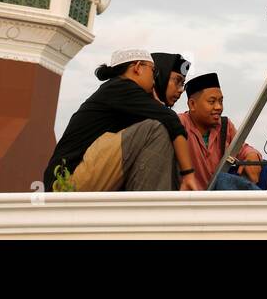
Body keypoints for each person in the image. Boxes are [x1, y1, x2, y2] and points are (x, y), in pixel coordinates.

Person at [43, 49, 201, 192]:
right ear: (137, 67)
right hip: (66, 180)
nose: (155, 79)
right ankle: (149, 208)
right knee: (156, 129)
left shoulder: (125, 98)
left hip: (81, 175)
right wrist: (188, 174)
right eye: (153, 71)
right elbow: (170, 119)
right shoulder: (121, 88)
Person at [180, 71, 264, 191]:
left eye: (221, 101)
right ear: (192, 104)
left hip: (218, 199)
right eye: (212, 101)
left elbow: (243, 148)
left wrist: (252, 156)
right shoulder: (179, 124)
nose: (218, 107)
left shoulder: (225, 125)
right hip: (187, 199)